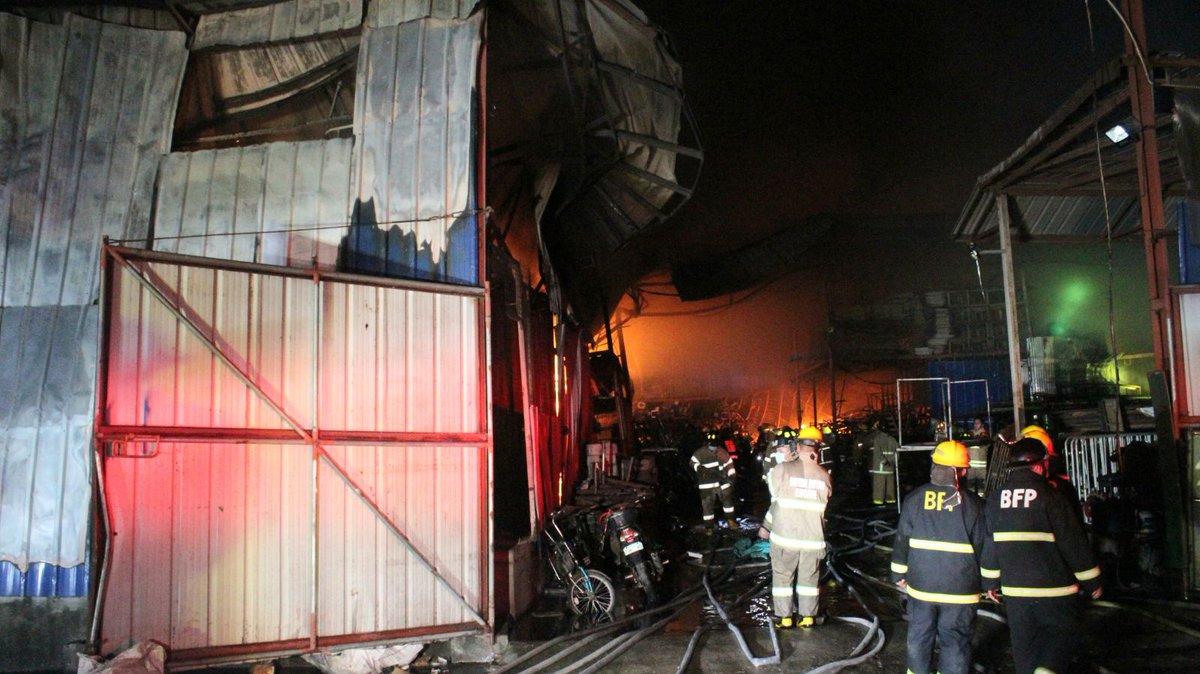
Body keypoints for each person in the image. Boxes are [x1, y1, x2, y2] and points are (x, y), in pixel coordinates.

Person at [983, 438, 1102, 674]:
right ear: (1037, 466)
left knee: (1024, 647)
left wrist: (990, 582)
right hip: (1055, 590)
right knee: (1061, 636)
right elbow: (1073, 542)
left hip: (1015, 592)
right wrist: (1092, 581)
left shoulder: (995, 499)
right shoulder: (1051, 497)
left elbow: (990, 543)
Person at [891, 440, 990, 674]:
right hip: (961, 590)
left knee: (919, 635)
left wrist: (898, 573)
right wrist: (989, 584)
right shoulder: (976, 506)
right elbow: (984, 548)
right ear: (961, 471)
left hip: (921, 587)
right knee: (955, 641)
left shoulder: (914, 499)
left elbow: (902, 539)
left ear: (934, 465)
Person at [760, 426, 831, 628]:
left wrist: (766, 526)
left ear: (797, 446)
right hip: (813, 540)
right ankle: (807, 617)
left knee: (783, 579)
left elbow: (776, 498)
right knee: (809, 581)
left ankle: (784, 617)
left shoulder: (782, 470)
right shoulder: (825, 476)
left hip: (786, 539)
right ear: (817, 449)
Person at [691, 431, 736, 529]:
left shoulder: (722, 452)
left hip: (723, 484)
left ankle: (730, 521)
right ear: (707, 444)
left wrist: (732, 476)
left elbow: (729, 465)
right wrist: (699, 468)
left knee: (728, 503)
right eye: (712, 445)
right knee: (707, 507)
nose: (713, 448)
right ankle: (709, 527)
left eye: (715, 445)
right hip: (707, 485)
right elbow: (692, 462)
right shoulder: (700, 453)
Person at [862, 424, 899, 505]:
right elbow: (897, 452)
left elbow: (877, 453)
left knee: (879, 487)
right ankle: (891, 501)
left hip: (880, 469)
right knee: (890, 487)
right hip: (890, 469)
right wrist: (893, 462)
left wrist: (884, 462)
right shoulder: (893, 439)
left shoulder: (878, 439)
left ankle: (878, 502)